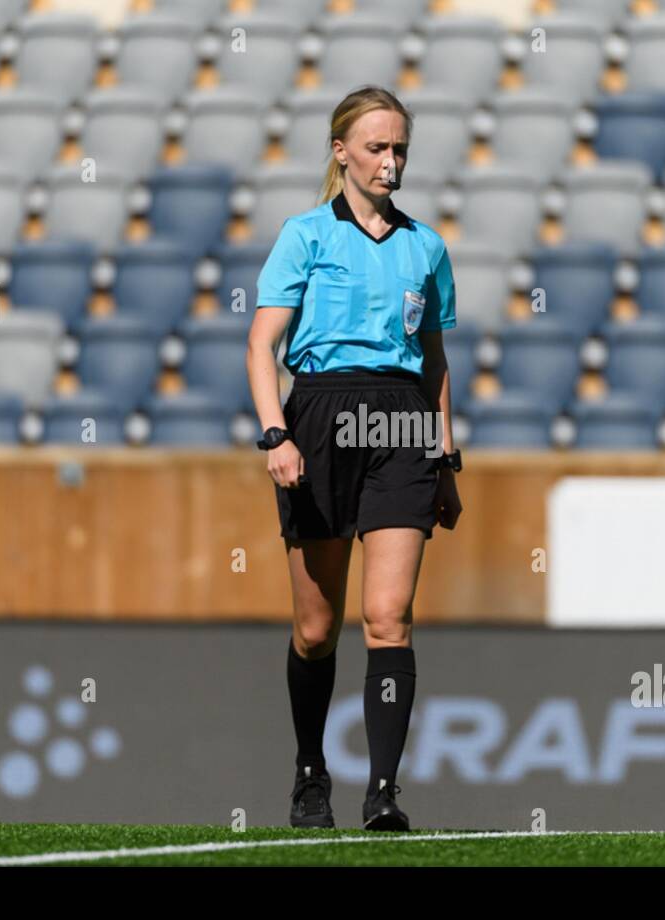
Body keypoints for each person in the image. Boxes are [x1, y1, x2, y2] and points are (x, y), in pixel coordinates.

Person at [245, 86, 462, 832]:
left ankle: (383, 792)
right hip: (320, 418)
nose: (391, 162)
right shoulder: (305, 235)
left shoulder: (425, 246)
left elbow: (434, 361)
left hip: (401, 425)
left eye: (400, 148)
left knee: (388, 617)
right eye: (377, 148)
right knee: (315, 628)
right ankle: (311, 772)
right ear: (341, 151)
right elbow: (260, 346)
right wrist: (276, 434)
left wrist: (446, 457)